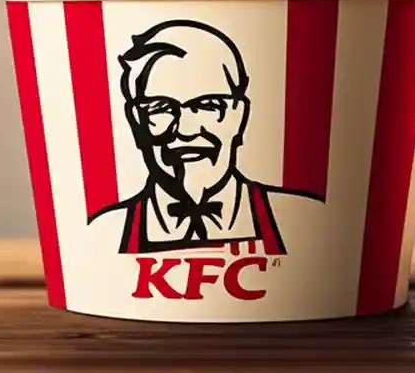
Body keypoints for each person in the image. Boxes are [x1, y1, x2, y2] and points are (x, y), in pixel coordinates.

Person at [89, 19, 314, 254]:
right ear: (136, 121)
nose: (186, 131)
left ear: (239, 116)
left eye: (208, 105)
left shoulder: (303, 219)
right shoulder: (104, 232)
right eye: (161, 108)